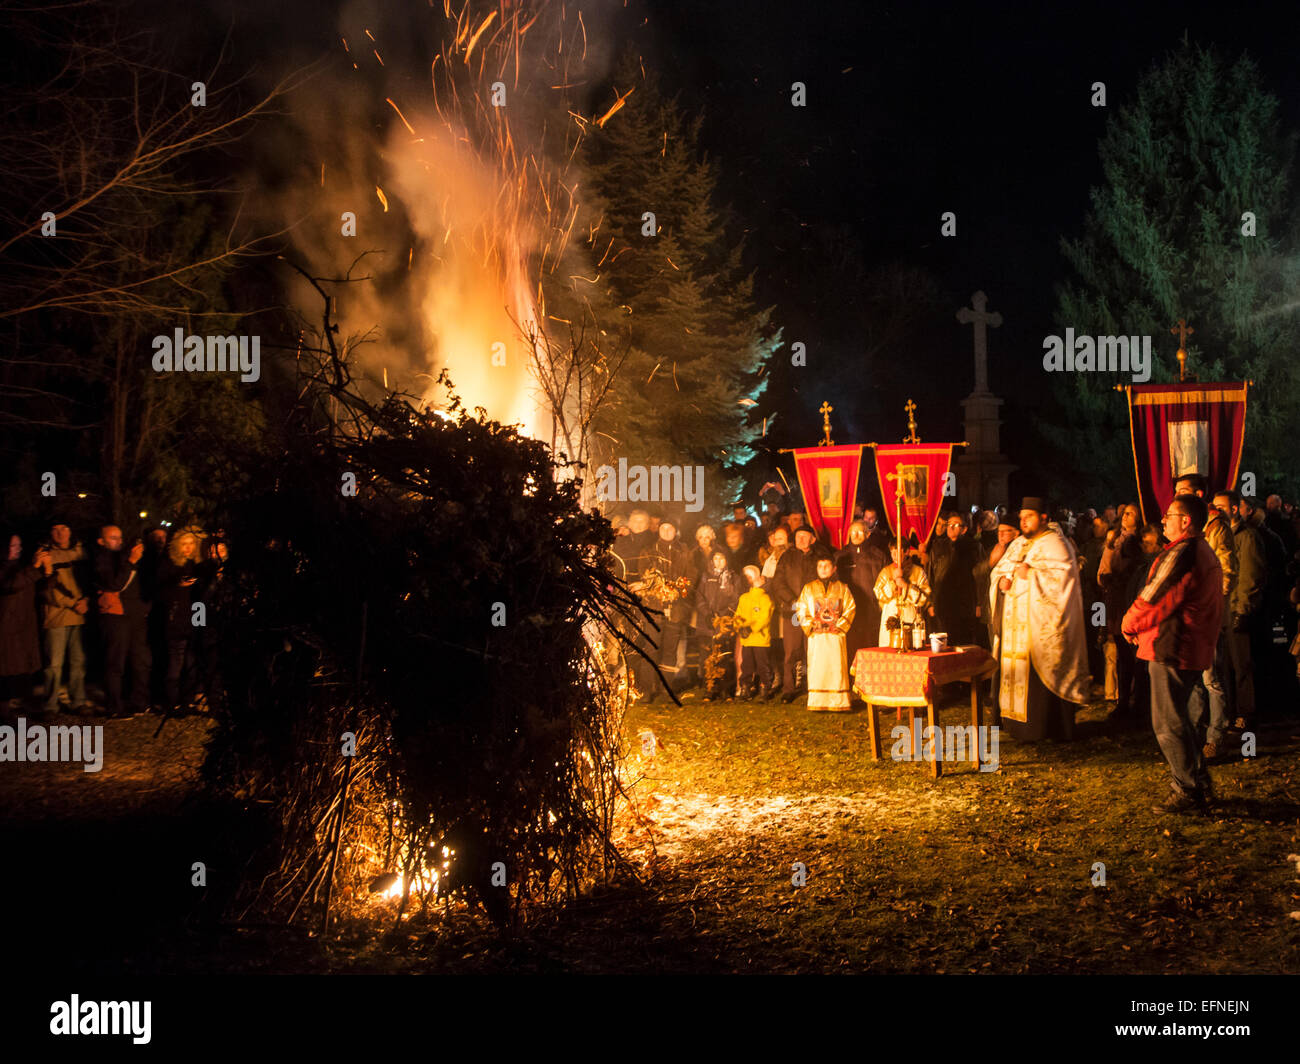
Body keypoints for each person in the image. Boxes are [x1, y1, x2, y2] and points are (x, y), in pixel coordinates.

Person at [1121, 494, 1223, 813]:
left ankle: (1186, 789)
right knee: (1180, 719)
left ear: (1186, 520)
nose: (1163, 520)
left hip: (1173, 646)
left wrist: (1129, 622)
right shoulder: (1202, 551)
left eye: (1169, 515)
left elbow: (1156, 596)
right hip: (1190, 645)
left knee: (1168, 723)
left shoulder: (1183, 552)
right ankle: (1198, 781)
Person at [989, 497, 1090, 741]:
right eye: (1022, 517)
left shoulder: (1056, 544)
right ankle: (1016, 727)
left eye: (1029, 517)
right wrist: (1001, 582)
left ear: (1044, 518)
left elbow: (1063, 582)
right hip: (1015, 630)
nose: (1023, 521)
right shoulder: (1018, 543)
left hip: (1040, 629)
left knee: (1038, 677)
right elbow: (999, 571)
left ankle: (1045, 728)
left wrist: (1031, 574)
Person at [95, 525, 151, 719]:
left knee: (140, 660)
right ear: (101, 541)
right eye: (113, 538)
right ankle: (114, 706)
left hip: (135, 614)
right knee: (115, 662)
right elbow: (114, 584)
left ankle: (139, 702)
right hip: (115, 615)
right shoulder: (100, 560)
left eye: (120, 537)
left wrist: (145, 607)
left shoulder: (123, 556)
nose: (118, 541)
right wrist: (131, 562)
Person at [37, 520, 90, 715]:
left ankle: (79, 701)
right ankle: (50, 705)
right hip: (56, 615)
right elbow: (45, 587)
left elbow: (91, 579)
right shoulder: (46, 554)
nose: (60, 533)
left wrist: (87, 600)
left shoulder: (81, 552)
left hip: (80, 614)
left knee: (78, 661)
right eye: (55, 529)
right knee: (54, 664)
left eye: (64, 528)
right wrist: (73, 603)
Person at [1222, 491, 1264, 733]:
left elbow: (1250, 576)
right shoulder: (1222, 536)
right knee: (1225, 665)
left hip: (1236, 608)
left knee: (1242, 665)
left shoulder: (1246, 538)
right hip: (1222, 609)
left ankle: (1246, 714)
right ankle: (1228, 712)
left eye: (1221, 506)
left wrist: (1242, 610)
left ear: (1235, 509)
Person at [795, 549, 856, 710]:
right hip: (817, 636)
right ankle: (818, 701)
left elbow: (851, 607)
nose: (823, 569)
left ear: (834, 568)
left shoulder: (842, 588)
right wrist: (810, 625)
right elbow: (801, 608)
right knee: (818, 666)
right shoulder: (808, 588)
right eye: (820, 566)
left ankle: (839, 700)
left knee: (836, 666)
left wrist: (840, 625)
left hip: (836, 636)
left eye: (826, 566)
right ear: (816, 568)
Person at [1098, 503, 1143, 720]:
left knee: (1133, 655)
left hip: (1129, 600)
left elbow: (1134, 570)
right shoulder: (1114, 539)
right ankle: (1122, 698)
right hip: (1115, 600)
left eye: (1131, 514)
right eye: (1124, 513)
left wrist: (1119, 578)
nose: (1125, 517)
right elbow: (1104, 567)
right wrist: (1106, 578)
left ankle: (1135, 700)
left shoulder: (1138, 542)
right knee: (1120, 653)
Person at [158, 530, 202, 716]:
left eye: (191, 543)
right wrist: (177, 585)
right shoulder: (168, 565)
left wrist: (200, 622)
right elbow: (159, 592)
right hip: (175, 621)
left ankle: (188, 701)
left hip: (193, 621)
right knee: (175, 664)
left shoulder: (196, 566)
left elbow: (200, 598)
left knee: (191, 665)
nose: (188, 547)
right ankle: (172, 703)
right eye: (184, 543)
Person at [773, 527, 818, 701]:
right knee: (791, 651)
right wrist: (792, 601)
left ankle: (812, 685)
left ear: (812, 540)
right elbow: (778, 582)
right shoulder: (787, 557)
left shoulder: (818, 557)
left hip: (812, 612)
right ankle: (789, 689)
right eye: (798, 536)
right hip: (791, 611)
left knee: (811, 649)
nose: (801, 539)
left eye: (805, 536)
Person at [0, 533, 43, 710]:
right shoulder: (4, 569)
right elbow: (11, 585)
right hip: (6, 626)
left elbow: (33, 587)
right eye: (14, 546)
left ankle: (20, 706)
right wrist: (34, 568)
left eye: (20, 545)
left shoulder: (19, 567)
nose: (19, 549)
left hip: (23, 625)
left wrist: (47, 572)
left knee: (20, 669)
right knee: (5, 670)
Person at [836, 519, 887, 664]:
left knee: (870, 647)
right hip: (848, 612)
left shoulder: (878, 555)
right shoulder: (841, 556)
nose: (856, 535)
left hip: (871, 610)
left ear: (867, 534)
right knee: (850, 647)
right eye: (853, 531)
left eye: (860, 532)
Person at [694, 549, 741, 701]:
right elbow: (699, 596)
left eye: (722, 558)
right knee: (708, 656)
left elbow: (736, 598)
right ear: (712, 560)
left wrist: (725, 615)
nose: (718, 561)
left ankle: (726, 689)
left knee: (725, 656)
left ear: (727, 560)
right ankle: (710, 689)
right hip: (707, 622)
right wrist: (707, 613)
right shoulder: (706, 576)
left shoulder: (733, 578)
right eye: (716, 558)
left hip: (724, 622)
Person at [928, 512, 980, 646]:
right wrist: (931, 602)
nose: (951, 528)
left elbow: (979, 576)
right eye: (949, 525)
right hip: (942, 600)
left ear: (964, 529)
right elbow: (931, 575)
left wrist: (978, 603)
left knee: (963, 641)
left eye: (956, 525)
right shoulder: (938, 546)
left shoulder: (973, 547)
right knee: (943, 640)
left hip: (964, 602)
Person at [874, 539, 931, 648]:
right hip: (891, 615)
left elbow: (924, 598)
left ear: (906, 552)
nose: (894, 555)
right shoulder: (886, 571)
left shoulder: (918, 571)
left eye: (898, 551)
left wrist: (905, 585)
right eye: (892, 552)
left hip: (911, 614)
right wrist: (893, 584)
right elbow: (879, 594)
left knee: (912, 647)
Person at [734, 566, 777, 700]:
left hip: (760, 640)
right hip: (747, 640)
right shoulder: (744, 598)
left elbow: (764, 618)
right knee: (746, 665)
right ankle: (745, 687)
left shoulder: (765, 598)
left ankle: (765, 688)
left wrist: (751, 628)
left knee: (762, 665)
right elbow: (738, 615)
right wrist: (739, 627)